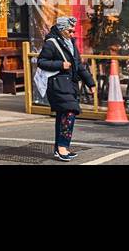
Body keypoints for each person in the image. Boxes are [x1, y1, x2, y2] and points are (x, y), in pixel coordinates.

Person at [36, 15, 95, 161]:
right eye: (70, 31)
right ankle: (63, 146)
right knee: (70, 112)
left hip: (70, 85)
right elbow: (41, 62)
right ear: (62, 30)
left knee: (63, 115)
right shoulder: (51, 43)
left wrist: (90, 83)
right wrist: (60, 65)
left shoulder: (71, 43)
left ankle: (60, 148)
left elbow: (79, 66)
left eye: (73, 31)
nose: (72, 33)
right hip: (57, 85)